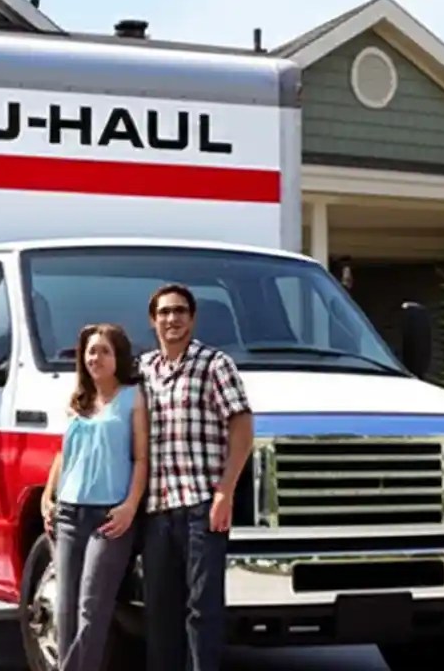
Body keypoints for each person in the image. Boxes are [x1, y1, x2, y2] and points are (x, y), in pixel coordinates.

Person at [137, 283, 254, 671]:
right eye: (164, 312)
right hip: (156, 509)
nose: (172, 318)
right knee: (160, 611)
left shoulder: (215, 364)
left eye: (180, 311)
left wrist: (225, 492)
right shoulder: (142, 370)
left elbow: (242, 427)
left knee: (203, 608)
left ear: (193, 318)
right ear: (153, 320)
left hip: (202, 505)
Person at [40, 322, 149, 671]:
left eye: (104, 351)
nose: (95, 358)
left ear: (118, 357)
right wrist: (48, 496)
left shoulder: (133, 398)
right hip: (69, 513)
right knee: (65, 607)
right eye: (90, 351)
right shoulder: (77, 401)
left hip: (109, 518)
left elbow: (141, 458)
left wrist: (130, 506)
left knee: (93, 608)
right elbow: (63, 454)